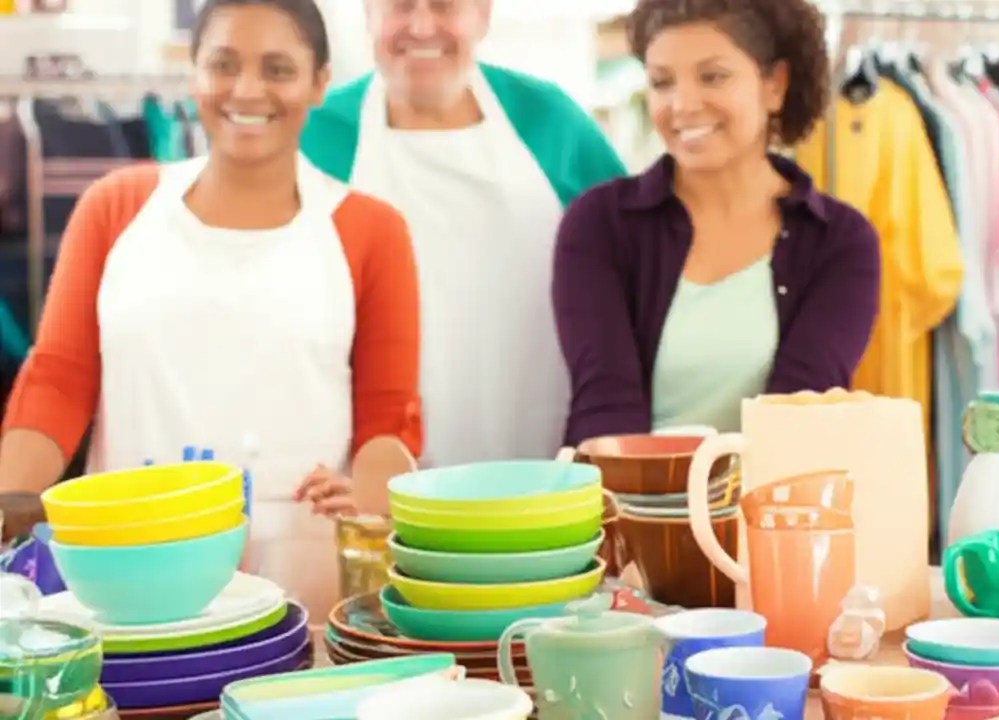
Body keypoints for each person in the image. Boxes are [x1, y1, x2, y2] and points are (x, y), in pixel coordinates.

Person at [0, 0, 421, 621]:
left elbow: (390, 417)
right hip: (127, 575)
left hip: (303, 586)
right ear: (193, 73)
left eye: (278, 69)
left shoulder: (369, 230)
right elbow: (58, 379)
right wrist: (11, 498)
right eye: (224, 64)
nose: (247, 90)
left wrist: (376, 499)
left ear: (319, 83)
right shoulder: (116, 207)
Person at [298, 0, 627, 473]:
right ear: (368, 14)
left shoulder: (549, 121)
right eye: (400, 6)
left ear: (484, 14)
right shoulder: (317, 134)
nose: (422, 25)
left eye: (445, 5)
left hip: (545, 470)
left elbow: (635, 257)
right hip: (374, 487)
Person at [552, 0, 881, 444]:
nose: (682, 105)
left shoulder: (840, 242)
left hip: (770, 505)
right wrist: (644, 512)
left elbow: (796, 420)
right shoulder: (598, 225)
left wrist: (720, 513)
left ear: (775, 85)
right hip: (626, 501)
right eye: (661, 82)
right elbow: (605, 409)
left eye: (713, 76)